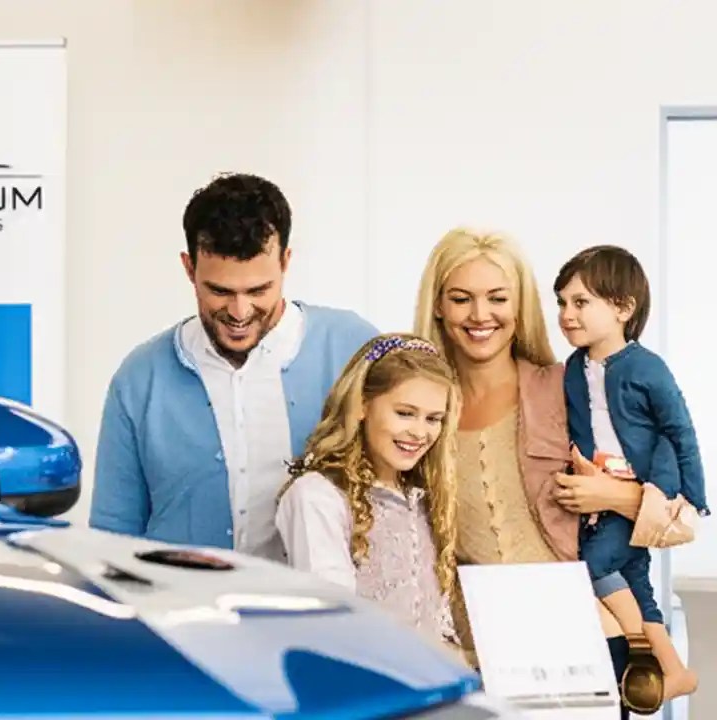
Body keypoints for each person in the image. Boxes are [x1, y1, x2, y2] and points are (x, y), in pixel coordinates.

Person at [412, 228, 652, 717]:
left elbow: (677, 513)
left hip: (585, 643)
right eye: (462, 299)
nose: (481, 315)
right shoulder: (418, 410)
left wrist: (612, 496)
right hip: (477, 657)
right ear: (438, 306)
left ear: (519, 306)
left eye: (498, 298)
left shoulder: (571, 389)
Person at [89, 172, 378, 559]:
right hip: (183, 610)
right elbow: (112, 540)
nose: (240, 312)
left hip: (319, 613)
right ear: (189, 268)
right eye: (219, 291)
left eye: (258, 290)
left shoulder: (354, 350)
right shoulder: (140, 380)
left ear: (286, 262)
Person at [554, 244, 705, 709]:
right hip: (599, 495)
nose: (566, 314)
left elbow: (680, 429)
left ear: (622, 308)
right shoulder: (573, 369)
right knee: (635, 582)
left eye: (581, 302)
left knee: (593, 565)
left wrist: (691, 497)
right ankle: (676, 671)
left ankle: (642, 647)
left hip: (641, 493)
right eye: (561, 302)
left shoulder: (645, 367)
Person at [275, 333, 463, 653]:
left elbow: (438, 623)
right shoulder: (318, 496)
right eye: (405, 413)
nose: (420, 432)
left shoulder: (423, 497)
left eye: (433, 419)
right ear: (362, 405)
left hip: (428, 687)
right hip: (365, 689)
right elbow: (333, 622)